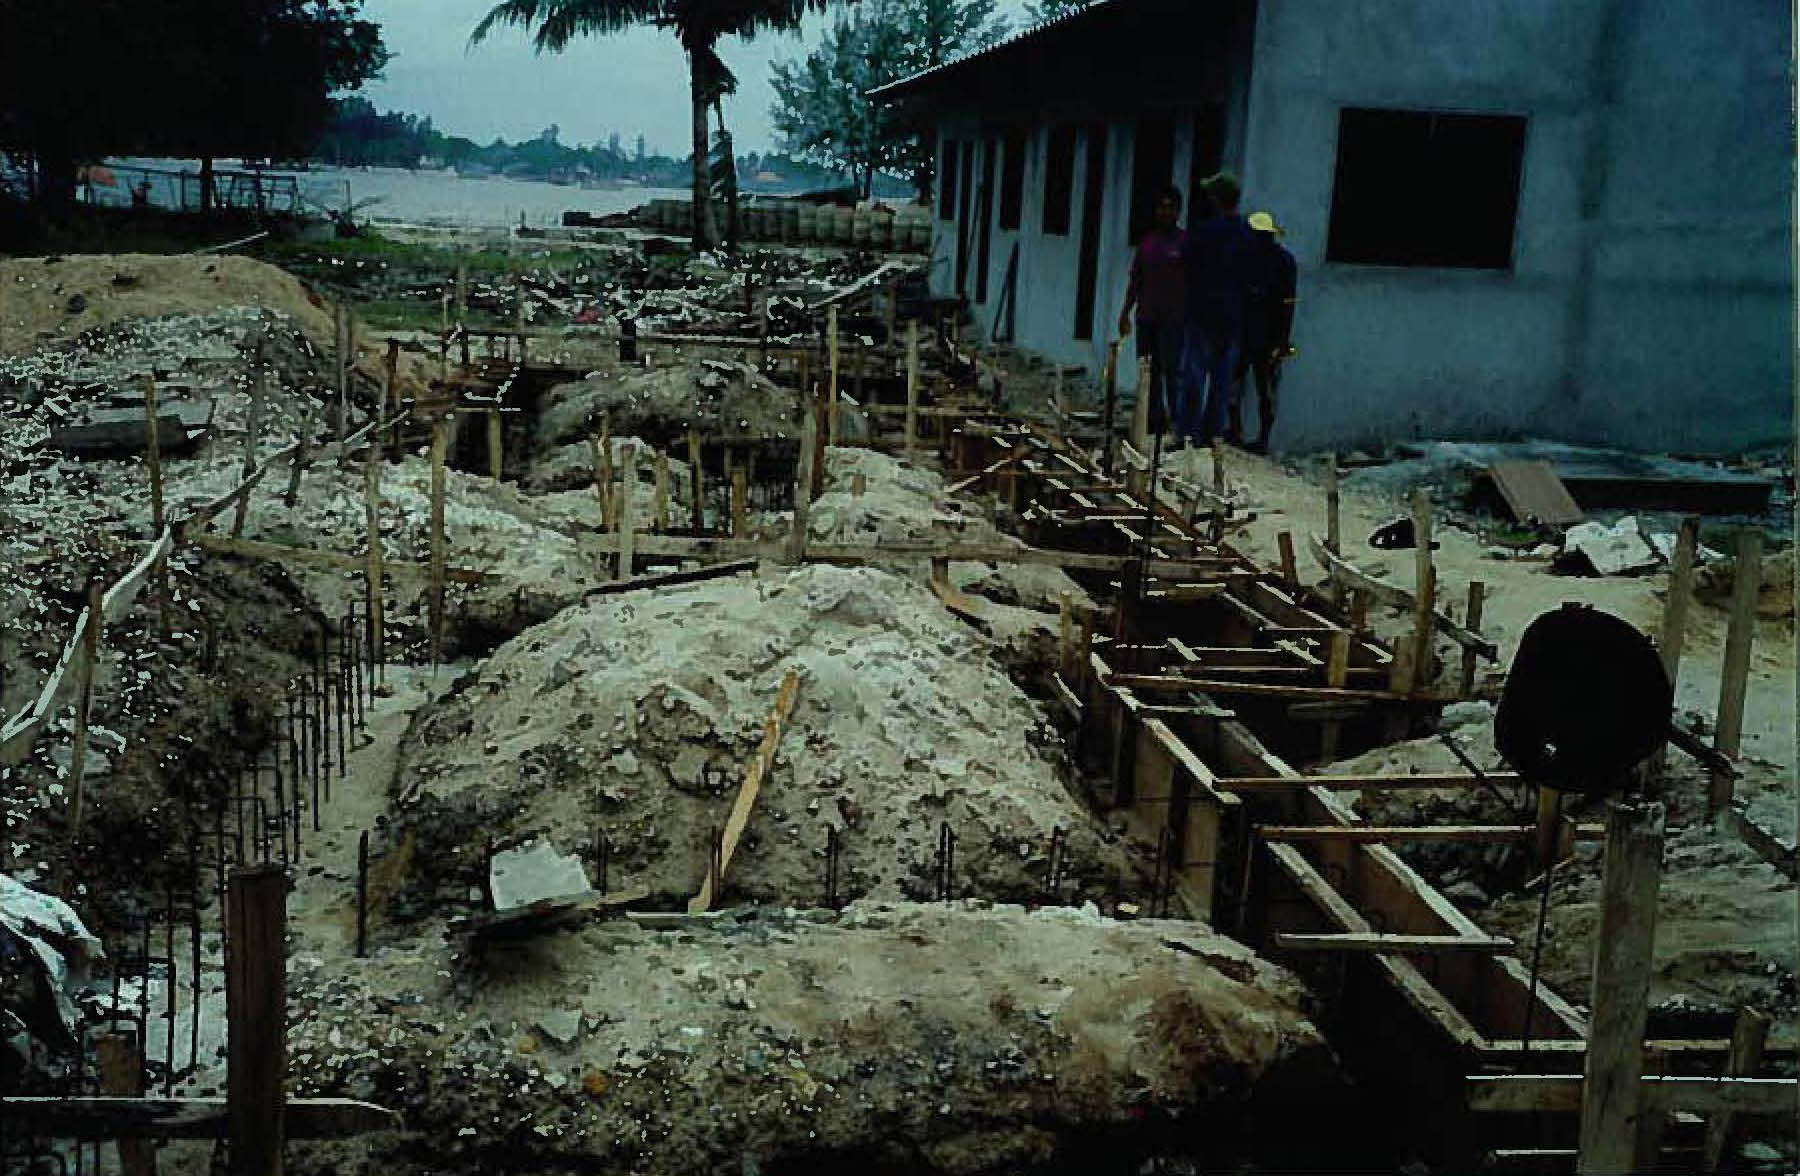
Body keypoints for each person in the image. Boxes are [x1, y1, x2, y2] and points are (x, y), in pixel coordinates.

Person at [1180, 172, 1256, 445]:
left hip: (1203, 312)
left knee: (1194, 375)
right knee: (1221, 381)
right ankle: (1212, 434)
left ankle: (1188, 433)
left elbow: (1186, 263)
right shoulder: (1248, 235)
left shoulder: (1205, 232)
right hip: (1233, 314)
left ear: (1216, 199)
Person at [1117, 185, 1189, 438]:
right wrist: (1125, 313)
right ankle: (1153, 421)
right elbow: (1135, 281)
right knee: (1148, 372)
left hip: (1174, 320)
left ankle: (1178, 426)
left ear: (1178, 211)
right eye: (1162, 207)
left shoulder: (1184, 243)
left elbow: (1193, 282)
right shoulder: (1146, 244)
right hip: (1147, 318)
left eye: (1171, 207)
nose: (1165, 212)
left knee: (1173, 372)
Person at [1236, 211, 1298, 453]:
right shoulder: (1248, 259)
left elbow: (1289, 303)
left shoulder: (1283, 261)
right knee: (1239, 385)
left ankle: (1261, 439)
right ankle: (1239, 433)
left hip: (1267, 334)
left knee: (1265, 389)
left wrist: (1282, 340)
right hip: (1248, 331)